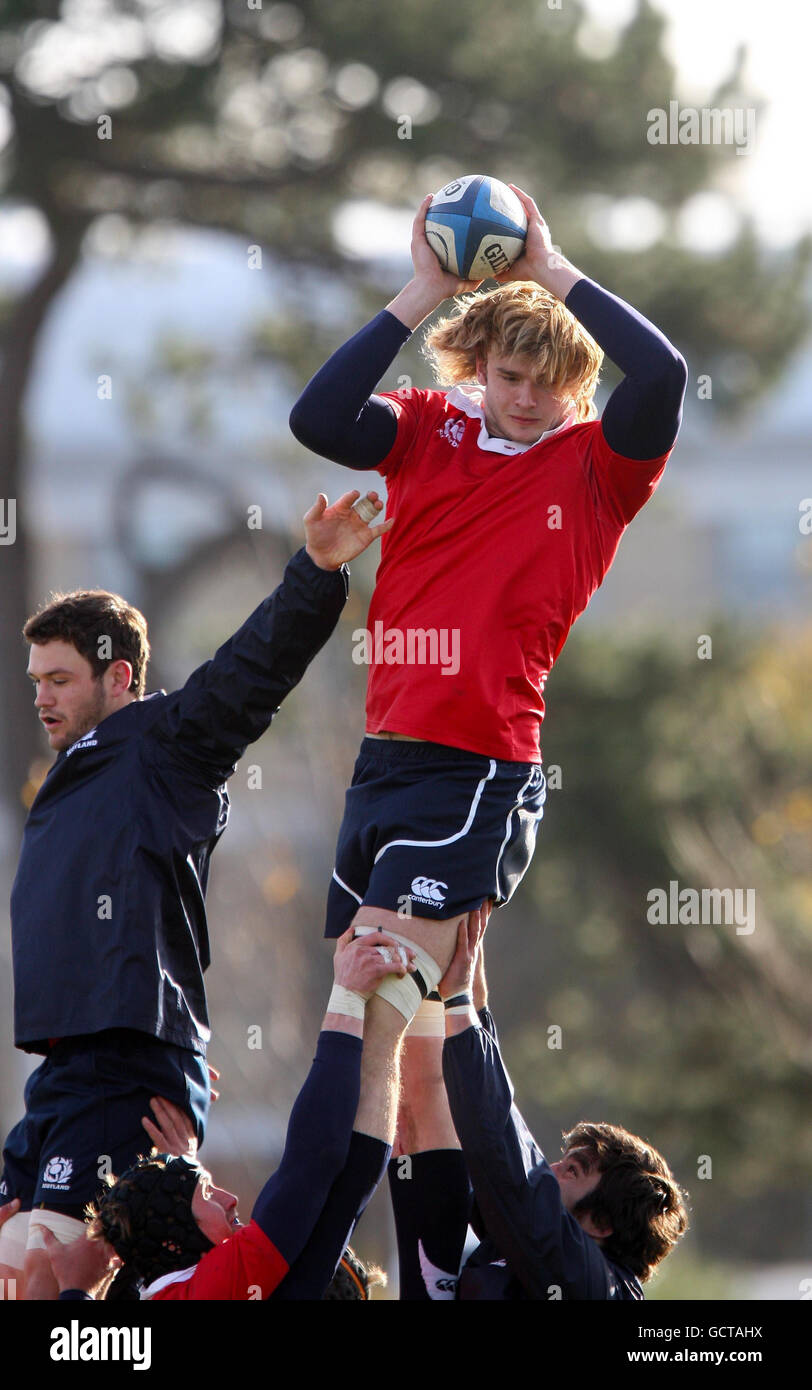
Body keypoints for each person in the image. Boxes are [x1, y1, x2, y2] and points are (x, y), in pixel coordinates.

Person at [288, 187, 688, 1189]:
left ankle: (301, 1258)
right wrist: (422, 287)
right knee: (418, 1053)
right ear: (475, 368)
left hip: (476, 768)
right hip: (384, 757)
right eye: (508, 375)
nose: (524, 397)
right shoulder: (428, 428)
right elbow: (316, 416)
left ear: (576, 386)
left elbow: (667, 372)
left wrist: (549, 265)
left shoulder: (598, 469)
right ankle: (458, 1271)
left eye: (547, 383)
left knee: (367, 1020)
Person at [0, 489, 391, 1300]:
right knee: (12, 1265)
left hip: (128, 1066)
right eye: (36, 678)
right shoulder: (73, 772)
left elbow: (248, 673)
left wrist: (315, 571)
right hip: (67, 1071)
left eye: (61, 679)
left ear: (120, 676)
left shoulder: (161, 746)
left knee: (47, 1274)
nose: (42, 696)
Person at [35, 928, 411, 1301]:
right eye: (210, 1192)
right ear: (171, 1240)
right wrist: (346, 995)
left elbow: (346, 1190)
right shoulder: (214, 1289)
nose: (231, 1199)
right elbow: (314, 1163)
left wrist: (76, 1290)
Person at [390, 915, 688, 1300]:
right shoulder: (537, 1257)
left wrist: (461, 1002)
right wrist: (475, 1008)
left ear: (601, 1223)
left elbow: (511, 1169)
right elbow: (497, 1168)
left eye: (573, 1171)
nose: (552, 1169)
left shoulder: (595, 1288)